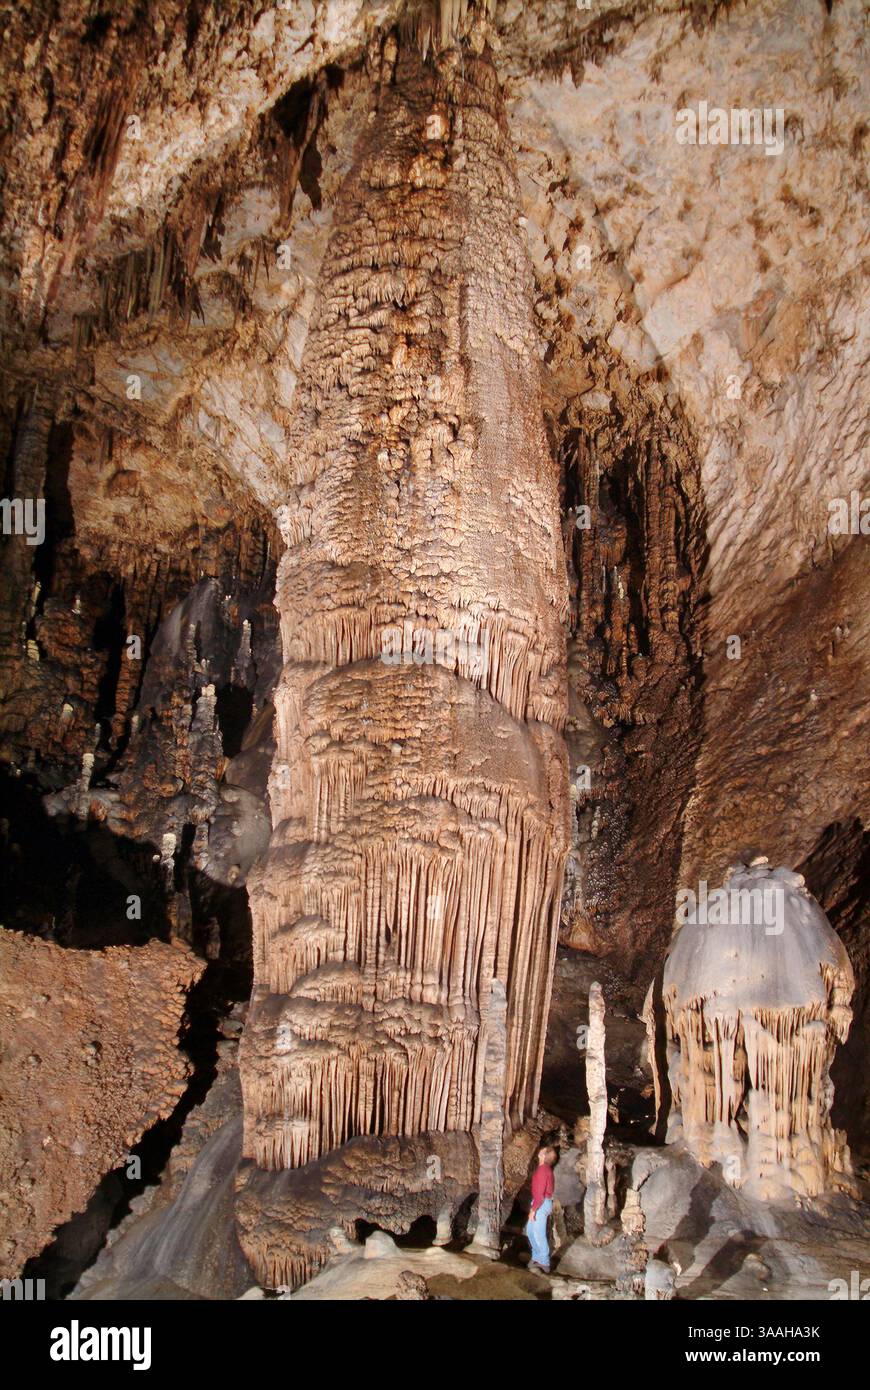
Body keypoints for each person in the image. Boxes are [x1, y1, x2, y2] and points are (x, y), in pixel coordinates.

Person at [525, 1143, 557, 1274]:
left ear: (544, 1155)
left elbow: (540, 1193)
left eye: (542, 1150)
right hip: (540, 1202)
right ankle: (536, 1257)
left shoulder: (543, 1170)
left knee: (538, 1233)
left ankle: (544, 1262)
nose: (539, 1151)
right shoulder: (543, 1169)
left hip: (541, 1203)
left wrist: (533, 1210)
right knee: (530, 1231)